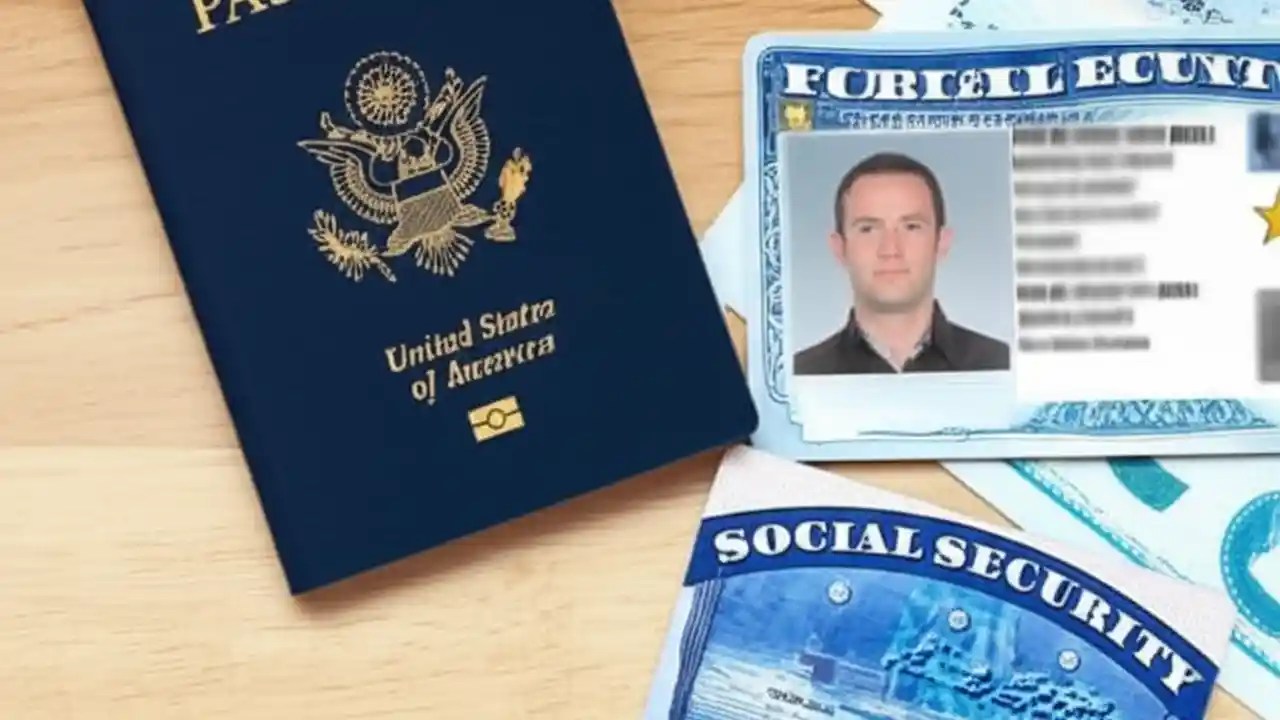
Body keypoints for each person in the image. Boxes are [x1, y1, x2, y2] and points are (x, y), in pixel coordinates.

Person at [794, 152, 1010, 375]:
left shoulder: (1003, 365)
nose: (890, 250)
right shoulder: (800, 375)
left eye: (912, 227)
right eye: (868, 229)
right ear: (840, 248)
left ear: (942, 243)